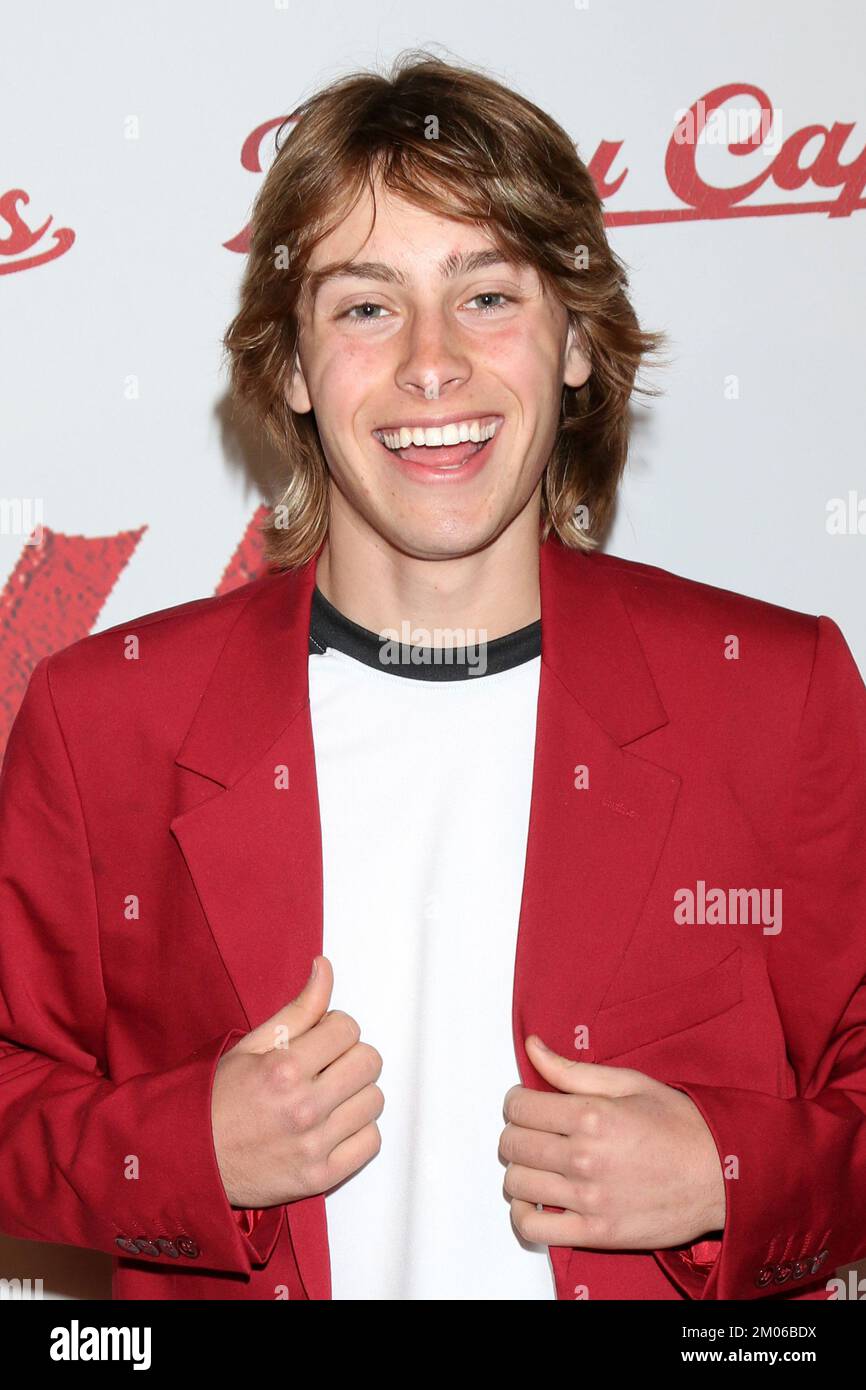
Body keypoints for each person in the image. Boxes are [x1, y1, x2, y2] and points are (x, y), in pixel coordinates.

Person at [1, 51, 864, 1302]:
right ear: (291, 368)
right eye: (364, 304)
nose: (429, 364)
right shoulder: (106, 719)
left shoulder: (773, 696)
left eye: (486, 296)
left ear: (574, 340)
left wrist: (729, 1175)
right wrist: (183, 1152)